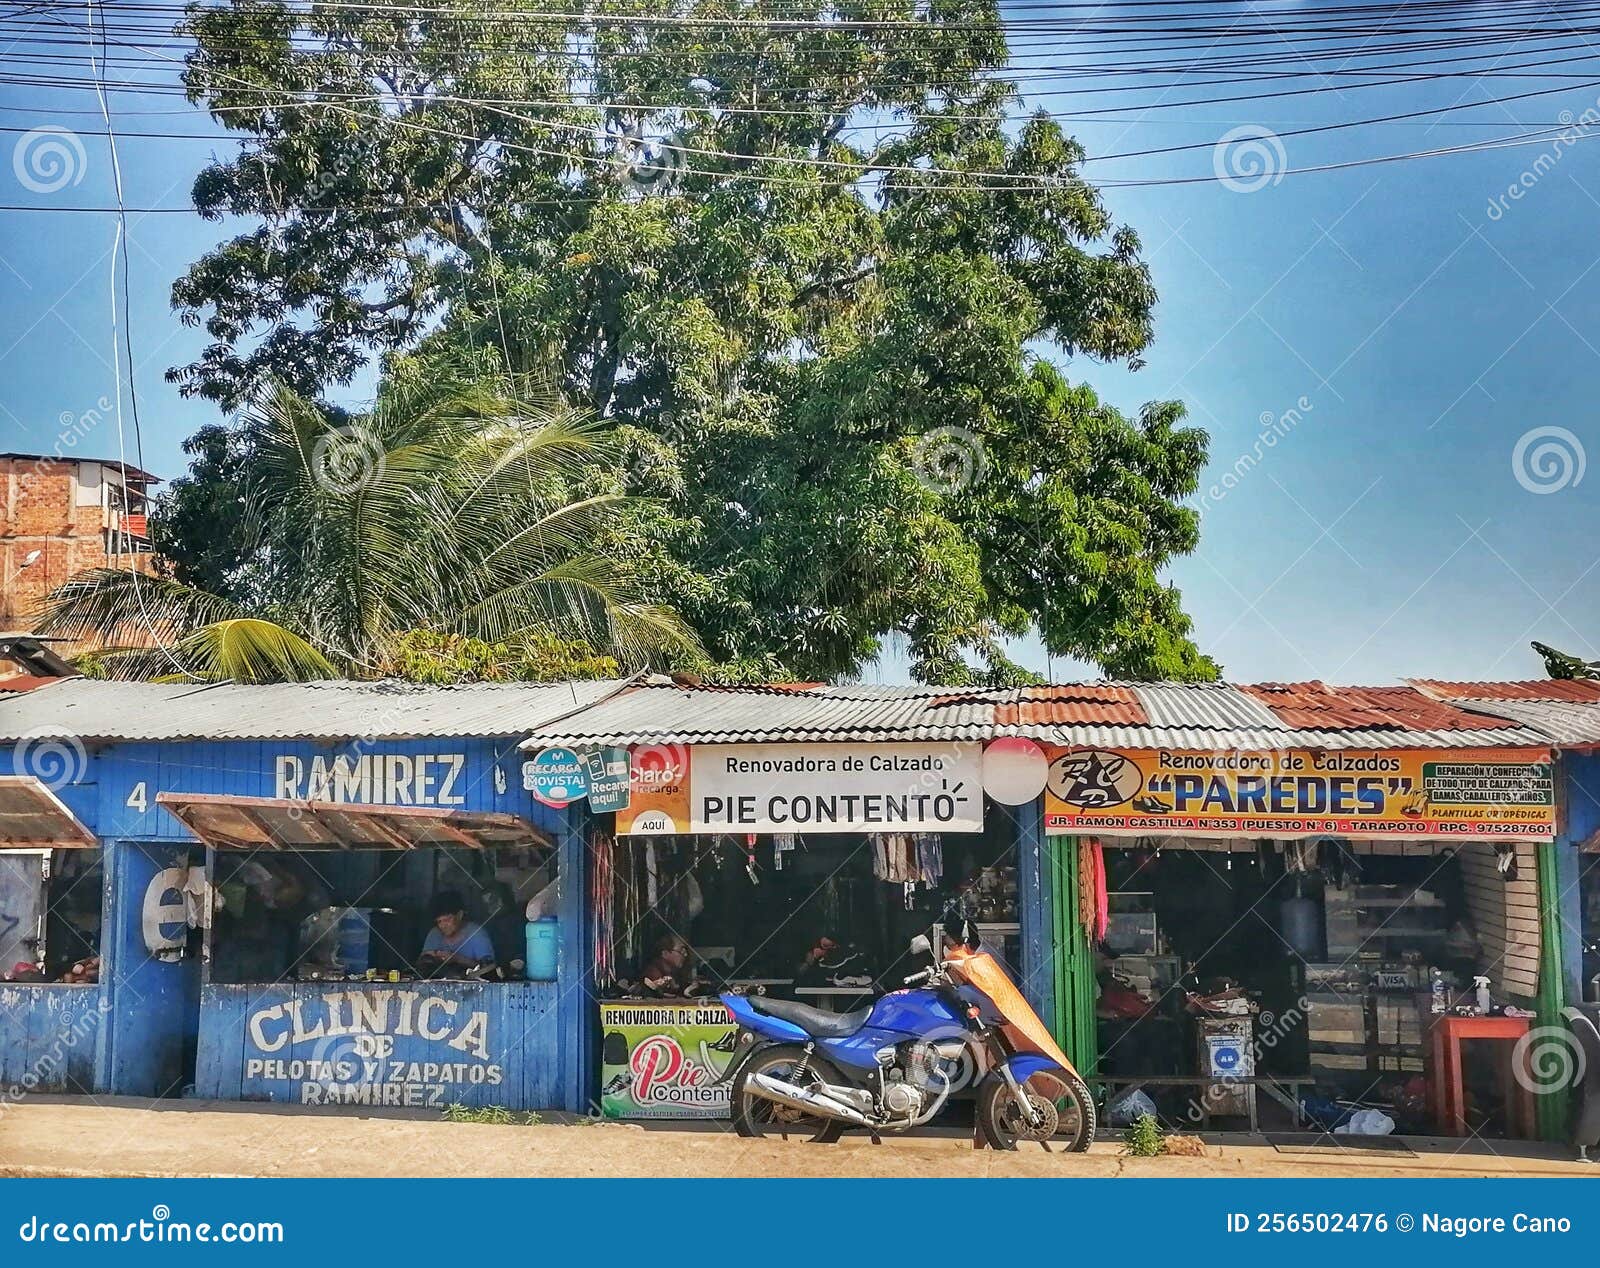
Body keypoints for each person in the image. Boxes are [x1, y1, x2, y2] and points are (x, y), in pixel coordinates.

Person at [419, 891, 496, 974]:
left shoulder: (477, 934)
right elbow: (421, 964)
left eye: (447, 920)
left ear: (460, 915)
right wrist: (431, 957)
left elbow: (489, 969)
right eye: (439, 921)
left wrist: (457, 959)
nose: (443, 926)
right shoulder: (434, 934)